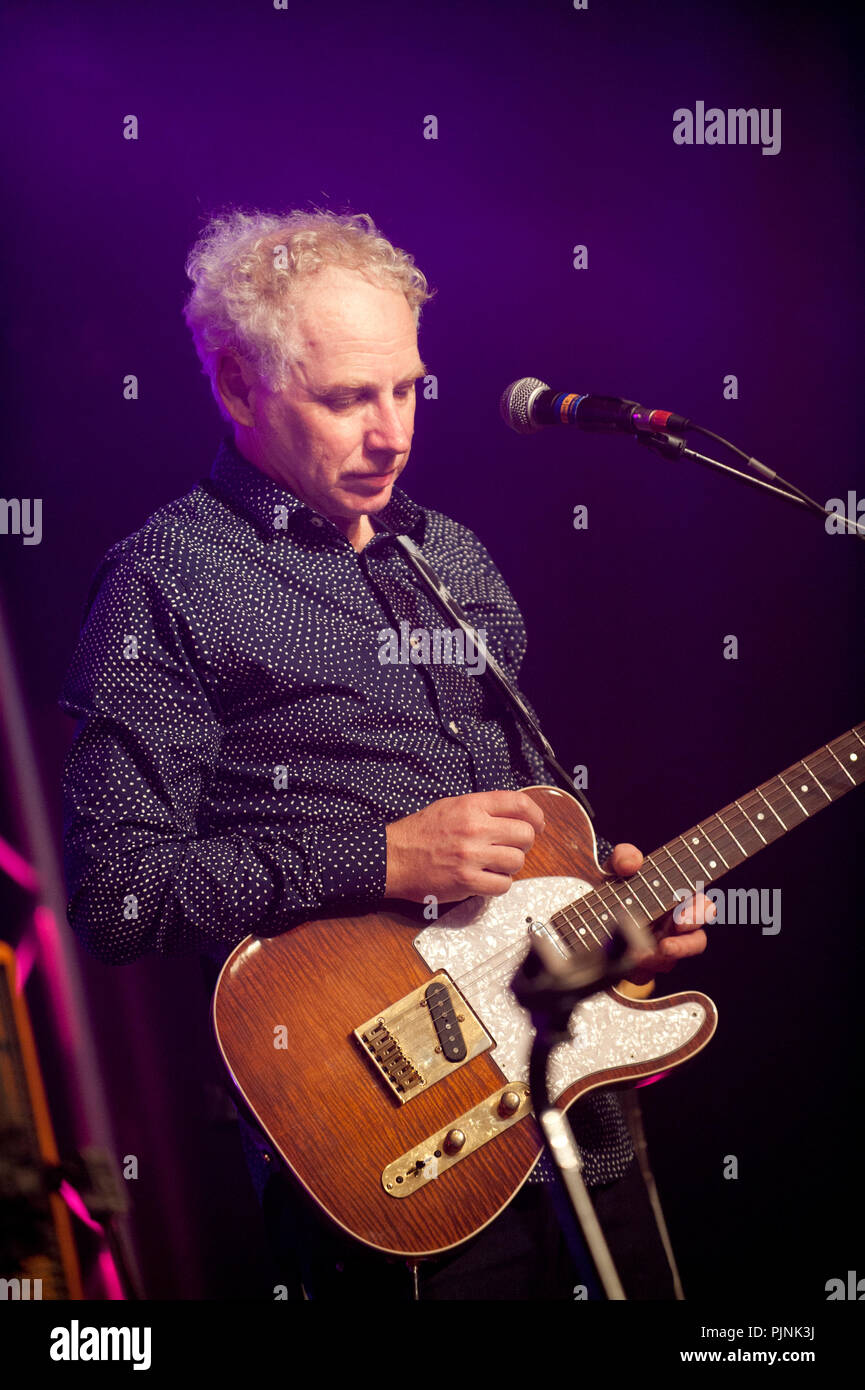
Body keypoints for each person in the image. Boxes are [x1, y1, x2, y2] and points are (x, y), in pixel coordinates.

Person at [59, 209, 712, 1300]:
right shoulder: (164, 579)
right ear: (236, 386)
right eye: (347, 397)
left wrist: (605, 934)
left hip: (572, 1108)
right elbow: (118, 895)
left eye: (407, 388)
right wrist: (379, 857)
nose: (393, 431)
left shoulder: (451, 558)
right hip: (385, 1133)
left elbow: (524, 858)